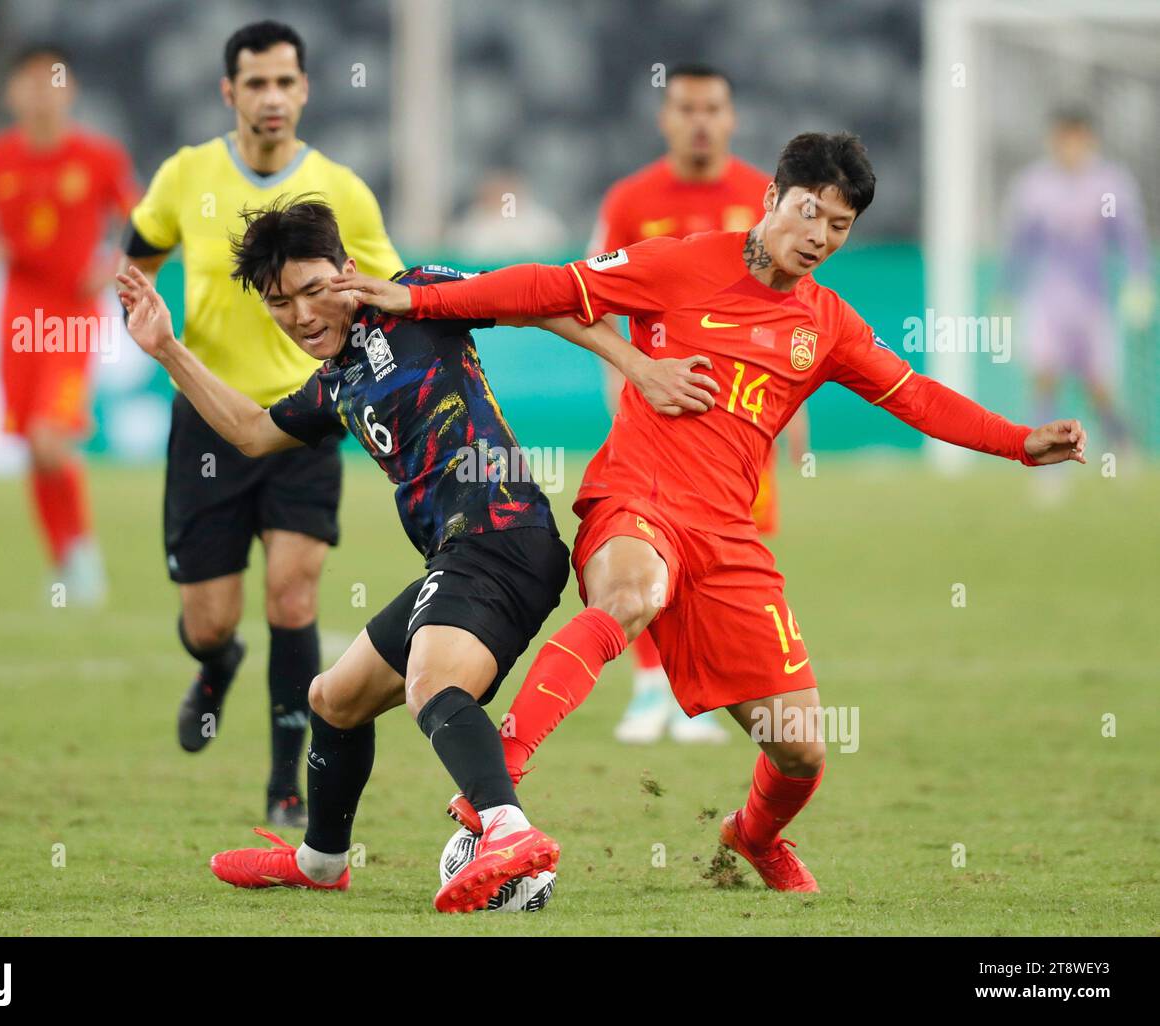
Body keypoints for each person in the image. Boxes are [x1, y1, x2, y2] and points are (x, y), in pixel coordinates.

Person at [330, 131, 1088, 893]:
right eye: (808, 212)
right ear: (771, 199)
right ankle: (494, 788)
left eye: (839, 225)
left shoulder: (827, 325)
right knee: (632, 594)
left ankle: (752, 838)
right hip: (637, 497)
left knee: (801, 751)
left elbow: (915, 395)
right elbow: (548, 289)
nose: (819, 236)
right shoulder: (682, 263)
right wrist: (419, 299)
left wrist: (1022, 443)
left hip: (728, 535)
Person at [117, 197, 716, 911]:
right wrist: (165, 349)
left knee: (431, 688)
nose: (303, 314)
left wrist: (637, 367)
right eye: (281, 303)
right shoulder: (336, 382)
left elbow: (543, 303)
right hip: (459, 558)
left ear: (348, 269)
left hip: (504, 538)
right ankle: (320, 860)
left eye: (315, 289)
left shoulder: (418, 296)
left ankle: (506, 829)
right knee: (333, 701)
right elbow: (249, 432)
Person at [118, 21, 403, 829]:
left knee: (293, 593)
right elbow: (135, 260)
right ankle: (216, 663)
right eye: (256, 84)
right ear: (229, 93)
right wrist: (140, 306)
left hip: (305, 418)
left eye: (286, 83)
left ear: (305, 89)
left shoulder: (343, 192)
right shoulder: (186, 177)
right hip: (211, 421)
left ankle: (286, 784)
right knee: (209, 618)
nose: (272, 98)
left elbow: (385, 285)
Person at [588, 61, 809, 745]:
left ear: (732, 117)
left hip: (744, 422)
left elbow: (795, 311)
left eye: (713, 107)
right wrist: (622, 381)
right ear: (666, 118)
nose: (701, 121)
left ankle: (700, 691)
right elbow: (589, 296)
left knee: (728, 553)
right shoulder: (630, 200)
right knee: (653, 549)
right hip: (662, 422)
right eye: (686, 108)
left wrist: (795, 410)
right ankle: (652, 689)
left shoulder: (762, 199)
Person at [0, 43, 138, 605]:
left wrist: (112, 266)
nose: (41, 92)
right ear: (11, 93)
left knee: (53, 438)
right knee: (33, 444)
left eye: (52, 81)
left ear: (70, 89)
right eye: (29, 82)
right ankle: (65, 561)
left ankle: (84, 560)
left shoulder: (98, 159)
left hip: (72, 318)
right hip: (18, 316)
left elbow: (147, 225)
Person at [1000, 107, 1152, 461]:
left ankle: (1122, 446)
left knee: (1099, 387)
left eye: (1077, 139)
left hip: (1093, 301)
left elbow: (1129, 238)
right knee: (1044, 378)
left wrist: (1138, 281)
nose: (1069, 148)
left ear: (1089, 140)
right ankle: (1047, 465)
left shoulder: (1109, 184)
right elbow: (1021, 243)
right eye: (1063, 139)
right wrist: (1006, 292)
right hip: (1048, 300)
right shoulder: (1035, 185)